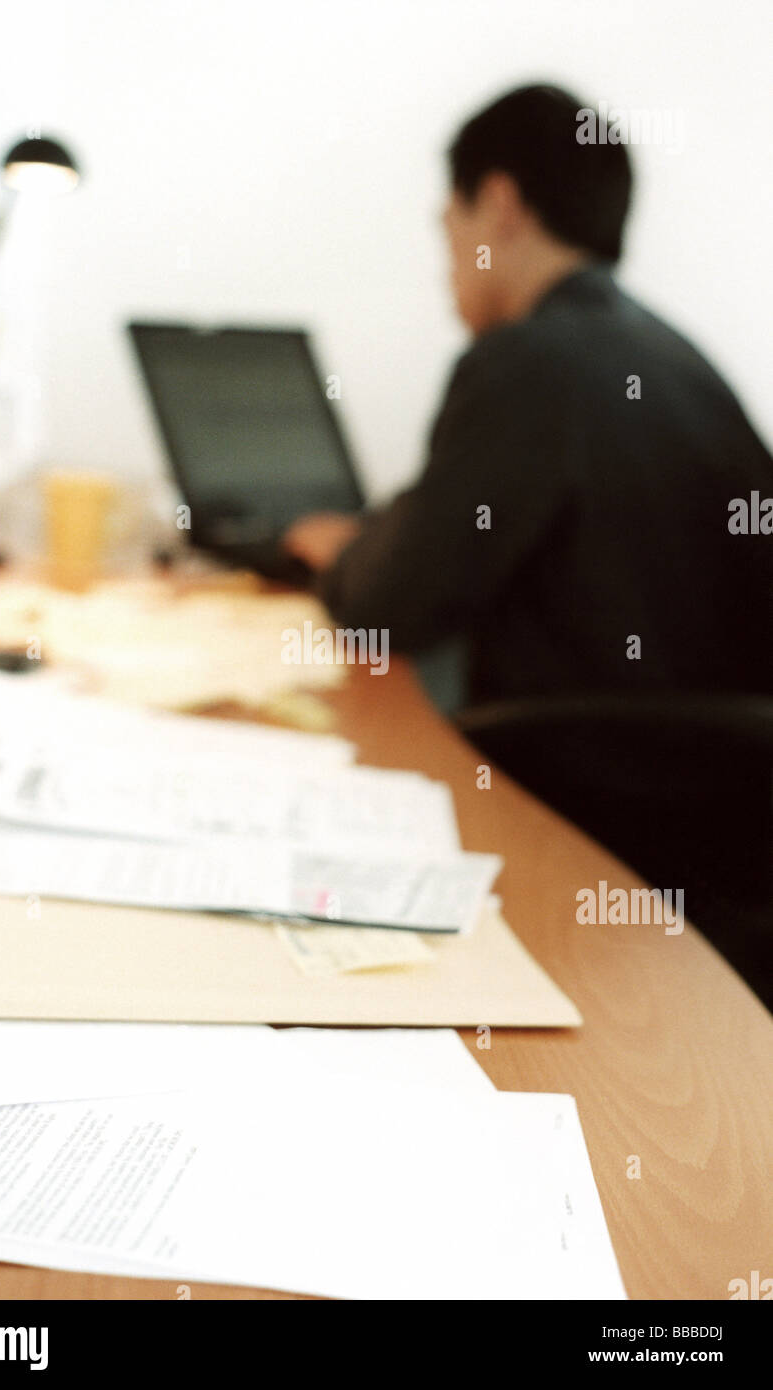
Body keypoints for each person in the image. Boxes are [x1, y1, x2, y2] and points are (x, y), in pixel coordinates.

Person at [283, 83, 773, 1003]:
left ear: (497, 205)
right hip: (714, 822)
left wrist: (339, 552)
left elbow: (391, 602)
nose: (445, 266)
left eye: (448, 222)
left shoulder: (529, 360)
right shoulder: (669, 355)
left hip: (601, 819)